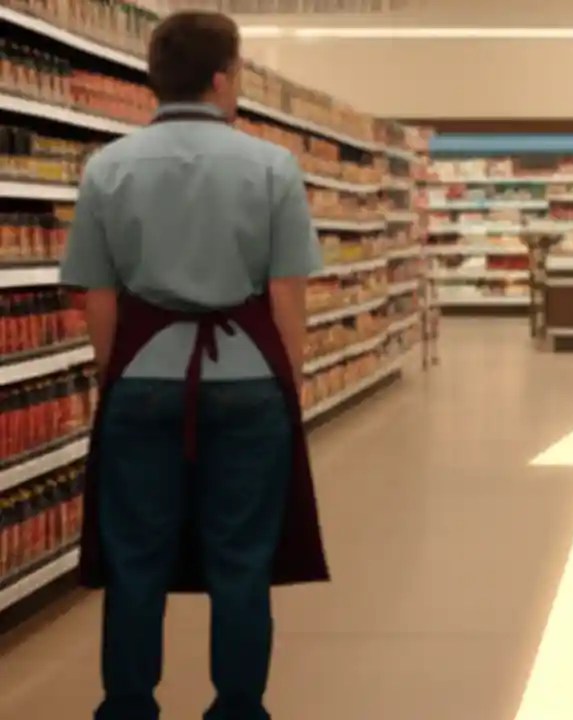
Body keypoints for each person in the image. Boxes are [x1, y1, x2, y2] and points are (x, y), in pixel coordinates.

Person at [60, 11, 330, 720]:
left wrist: (114, 378)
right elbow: (285, 294)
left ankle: (127, 703)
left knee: (134, 555)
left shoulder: (107, 168)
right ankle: (237, 706)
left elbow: (100, 296)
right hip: (246, 382)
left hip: (144, 377)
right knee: (241, 557)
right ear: (220, 78)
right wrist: (286, 383)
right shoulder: (271, 166)